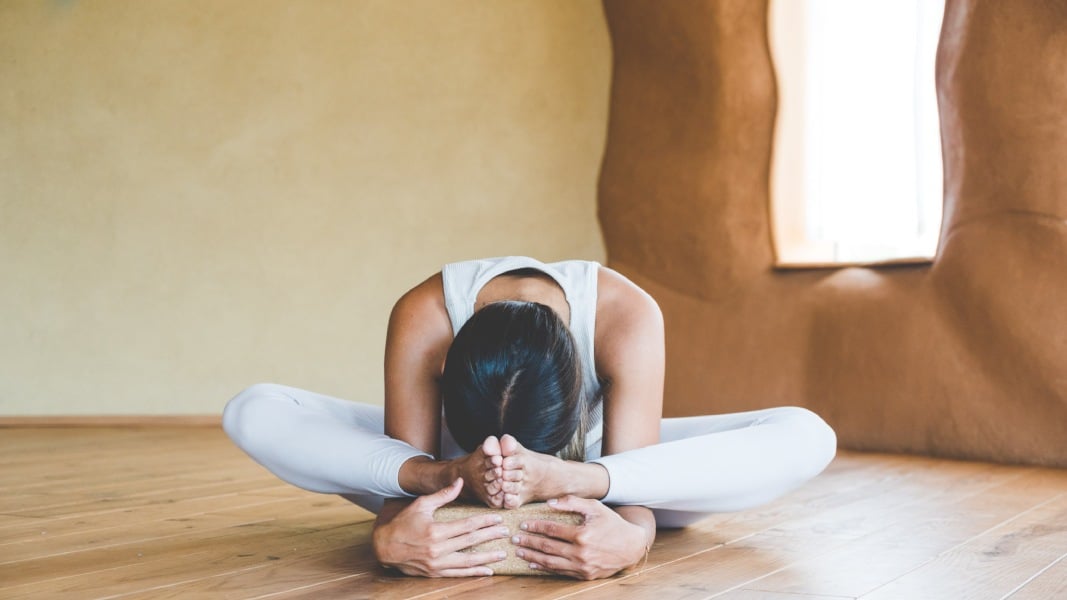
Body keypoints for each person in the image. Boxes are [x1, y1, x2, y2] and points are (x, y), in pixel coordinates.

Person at [223, 256, 837, 580]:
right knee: (254, 408)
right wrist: (400, 526)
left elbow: (638, 499)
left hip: (606, 468)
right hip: (442, 469)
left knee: (808, 433)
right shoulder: (426, 314)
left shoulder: (624, 314)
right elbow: (393, 501)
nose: (508, 463)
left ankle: (572, 475)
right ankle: (461, 470)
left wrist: (625, 532)